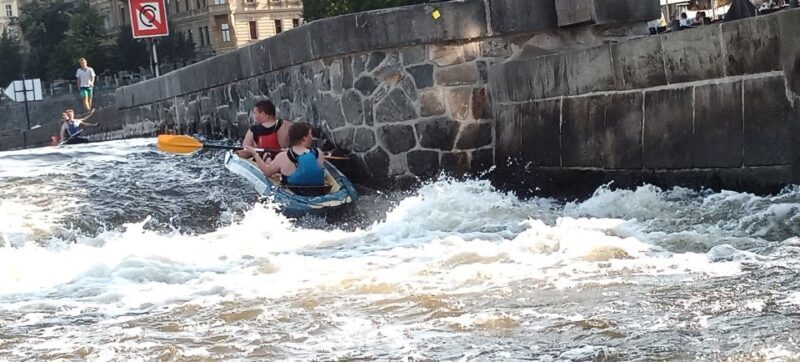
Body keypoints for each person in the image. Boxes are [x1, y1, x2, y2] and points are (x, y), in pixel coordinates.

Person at [246, 122, 325, 186]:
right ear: (304, 138)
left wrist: (255, 154)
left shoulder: (283, 156)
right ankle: (268, 159)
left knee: (272, 166)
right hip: (318, 192)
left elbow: (267, 172)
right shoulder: (319, 153)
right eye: (310, 134)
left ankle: (267, 158)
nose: (312, 137)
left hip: (294, 194)